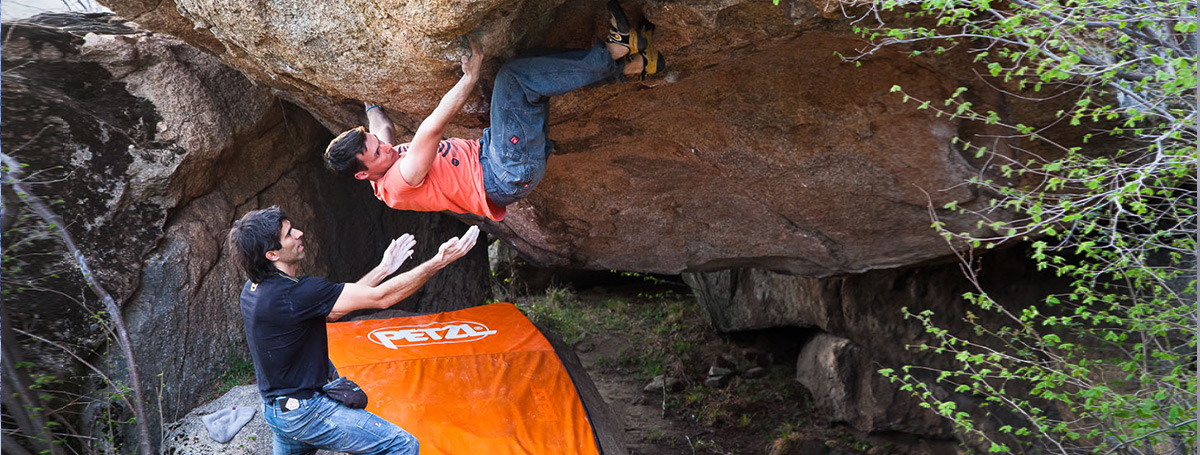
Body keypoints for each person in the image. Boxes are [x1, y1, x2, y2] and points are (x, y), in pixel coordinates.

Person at [324, 1, 664, 221]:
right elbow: (431, 129)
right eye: (375, 153)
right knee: (514, 79)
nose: (384, 147)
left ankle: (636, 65)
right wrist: (469, 78)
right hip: (504, 169)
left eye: (373, 143)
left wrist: (368, 103)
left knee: (537, 82)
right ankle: (617, 48)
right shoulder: (398, 183)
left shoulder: (383, 159)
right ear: (362, 174)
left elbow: (382, 130)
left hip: (501, 160)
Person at [226, 205, 479, 454]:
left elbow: (334, 309)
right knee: (402, 445)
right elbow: (381, 299)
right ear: (272, 254)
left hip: (278, 411)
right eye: (289, 233)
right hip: (306, 412)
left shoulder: (254, 288)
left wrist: (384, 269)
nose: (299, 233)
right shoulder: (296, 293)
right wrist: (438, 261)